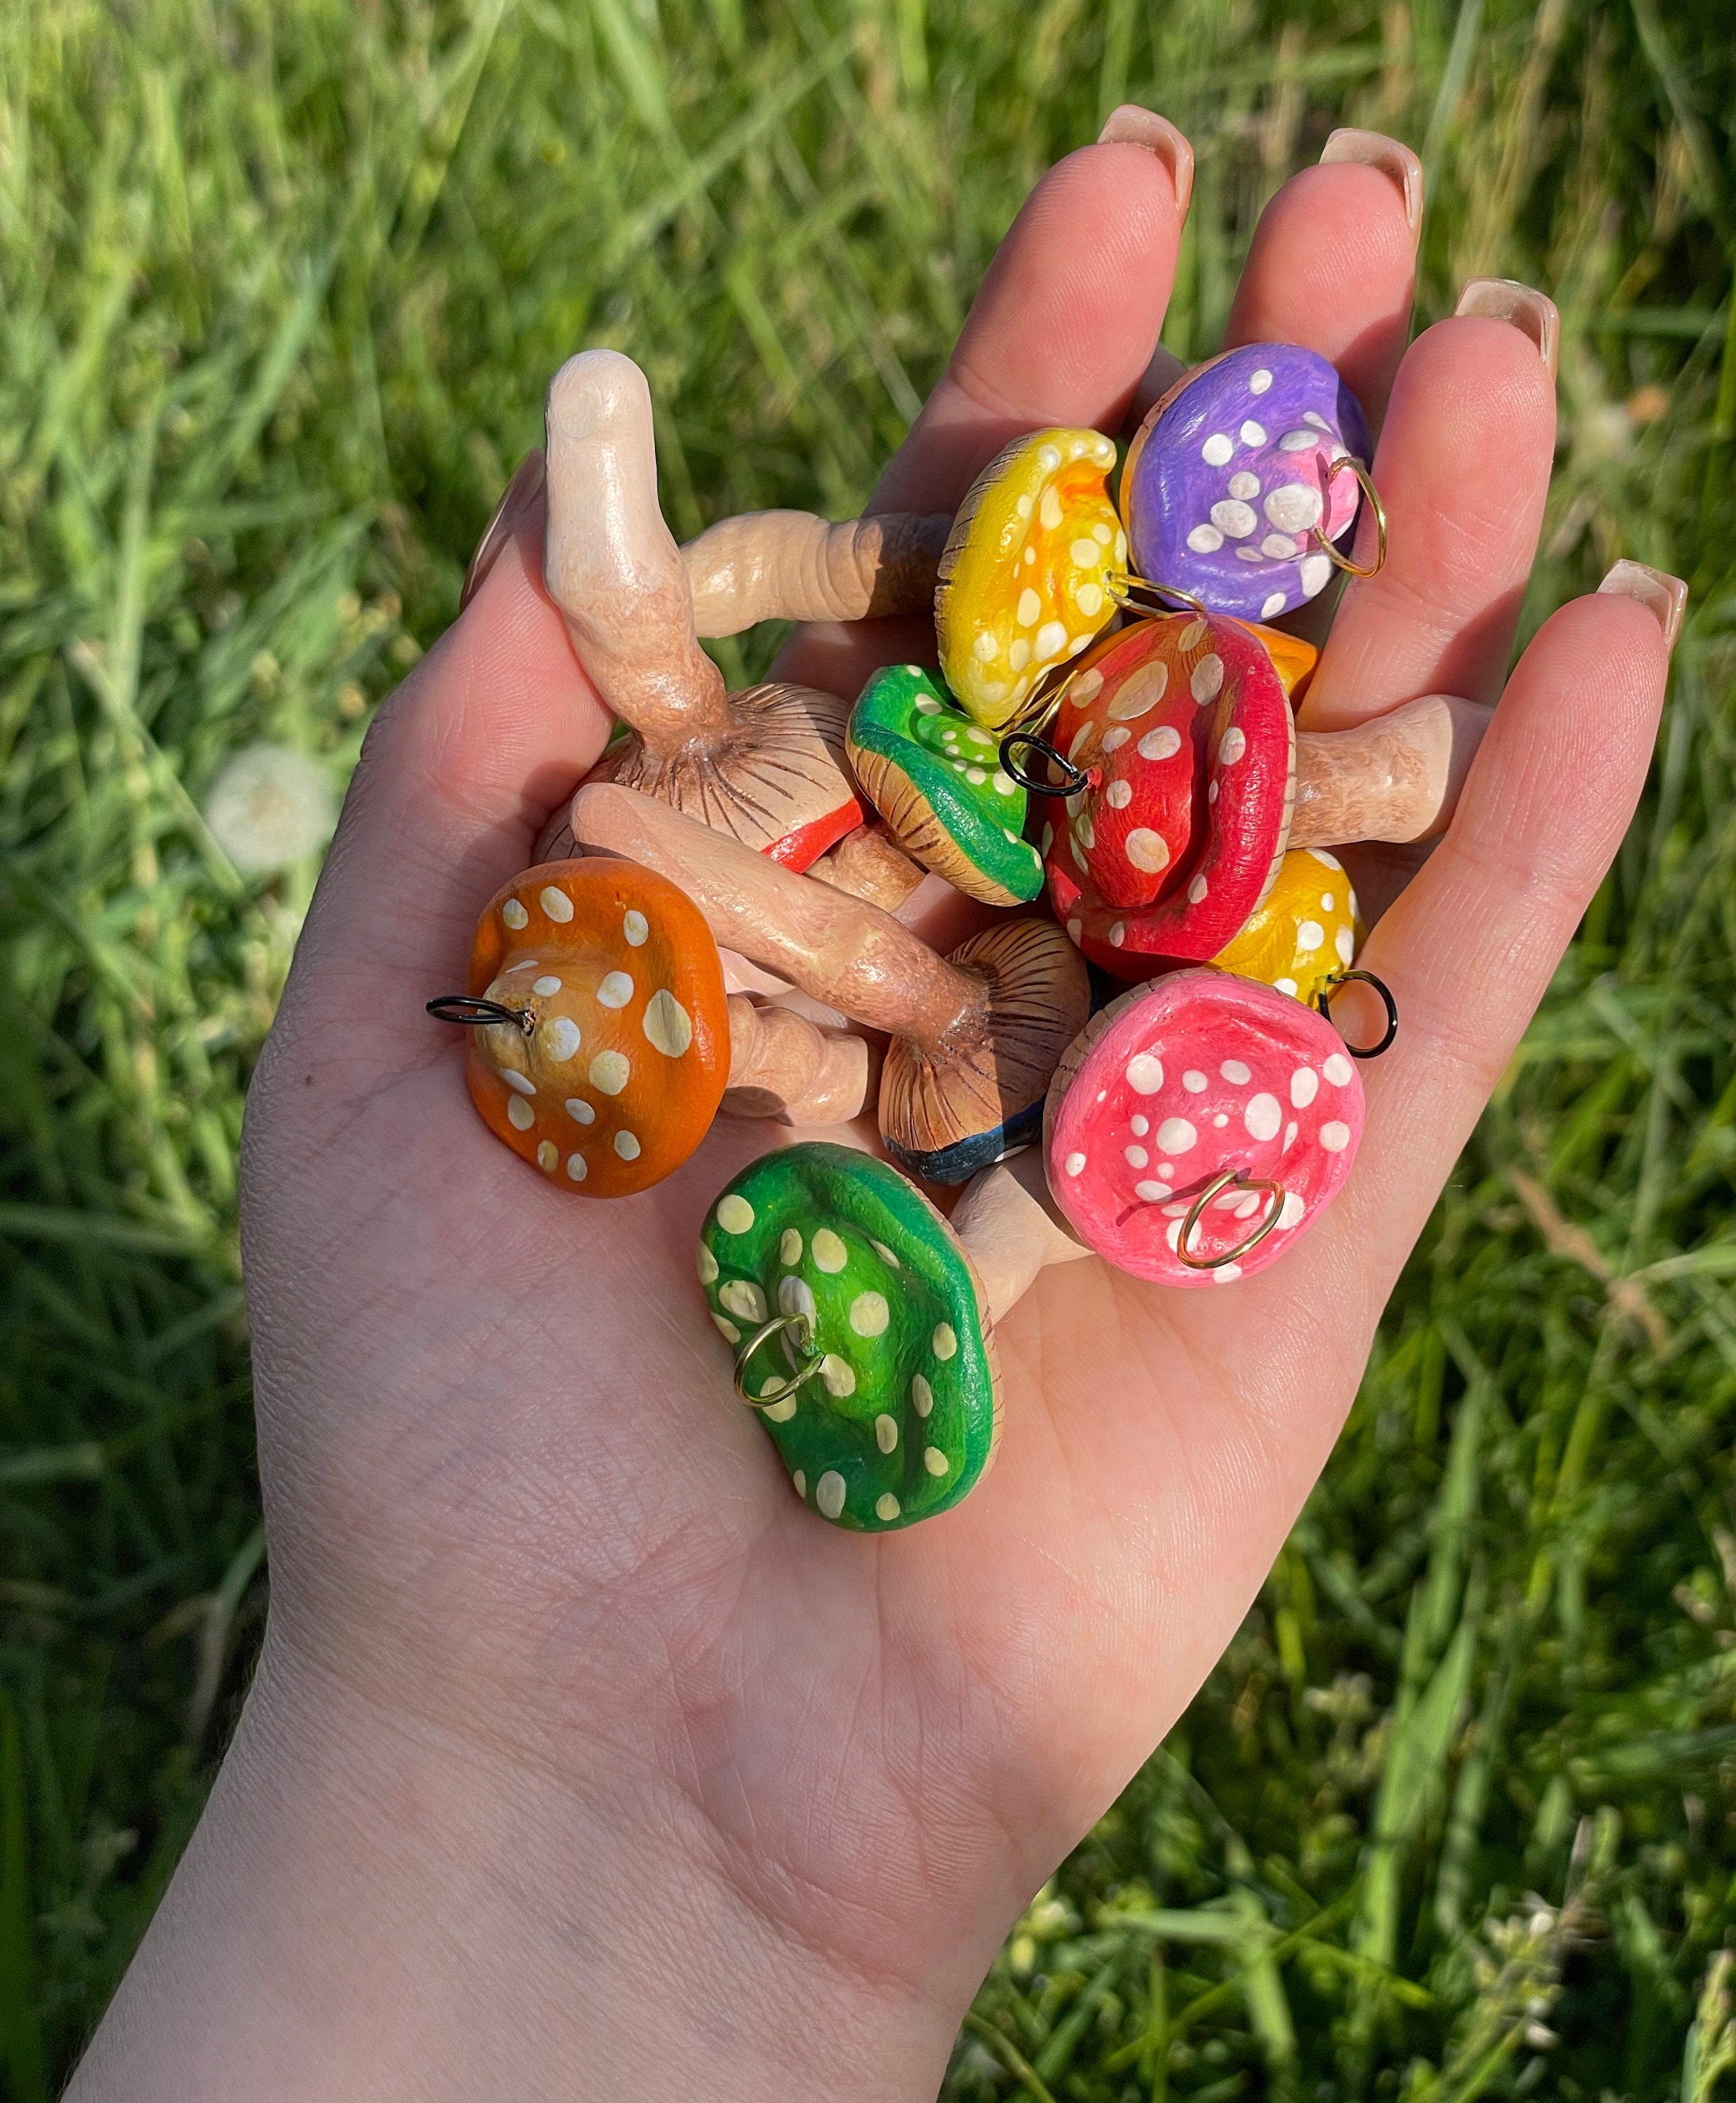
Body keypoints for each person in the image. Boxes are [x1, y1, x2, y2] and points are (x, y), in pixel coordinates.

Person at [67, 112, 1681, 2101]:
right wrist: (674, 732)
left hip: (975, 990)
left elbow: (821, 766)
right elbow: (751, 692)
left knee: (856, 928)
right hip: (884, 952)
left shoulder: (1042, 895)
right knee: (763, 852)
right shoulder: (807, 825)